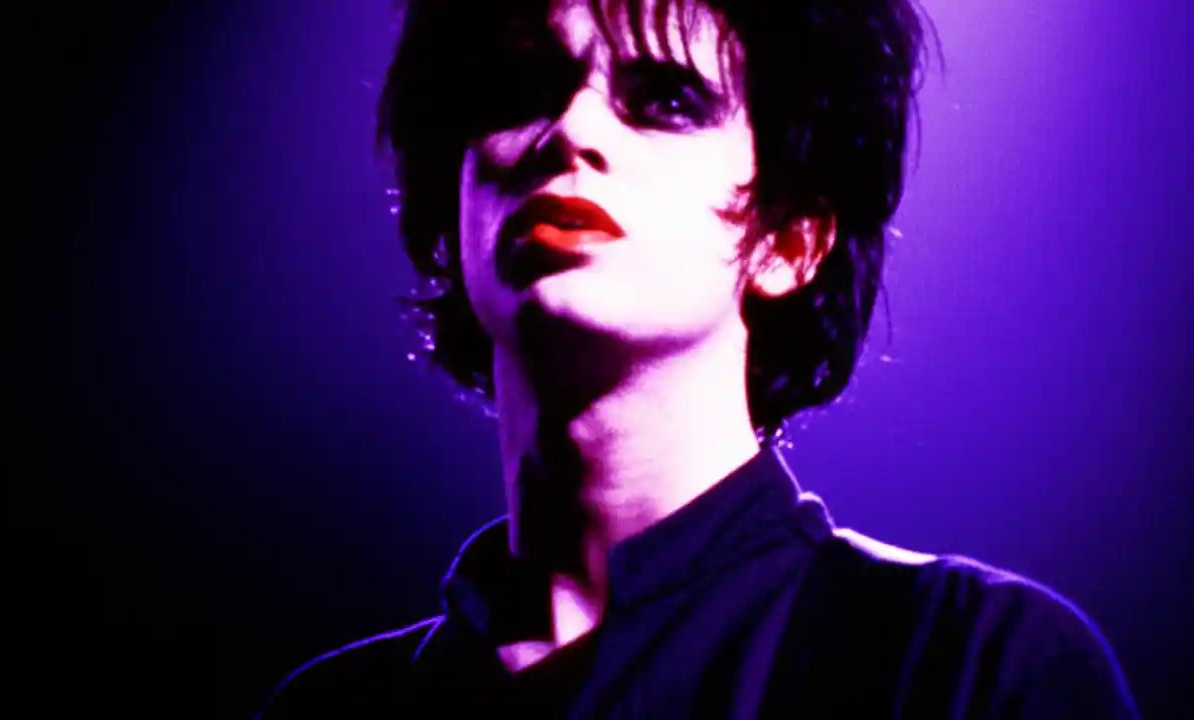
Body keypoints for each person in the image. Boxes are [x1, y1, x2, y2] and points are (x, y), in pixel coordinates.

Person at [259, 0, 1138, 716]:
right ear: (452, 205)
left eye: (667, 100)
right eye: (522, 86)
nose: (570, 130)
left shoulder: (969, 666)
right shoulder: (332, 708)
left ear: (792, 240)